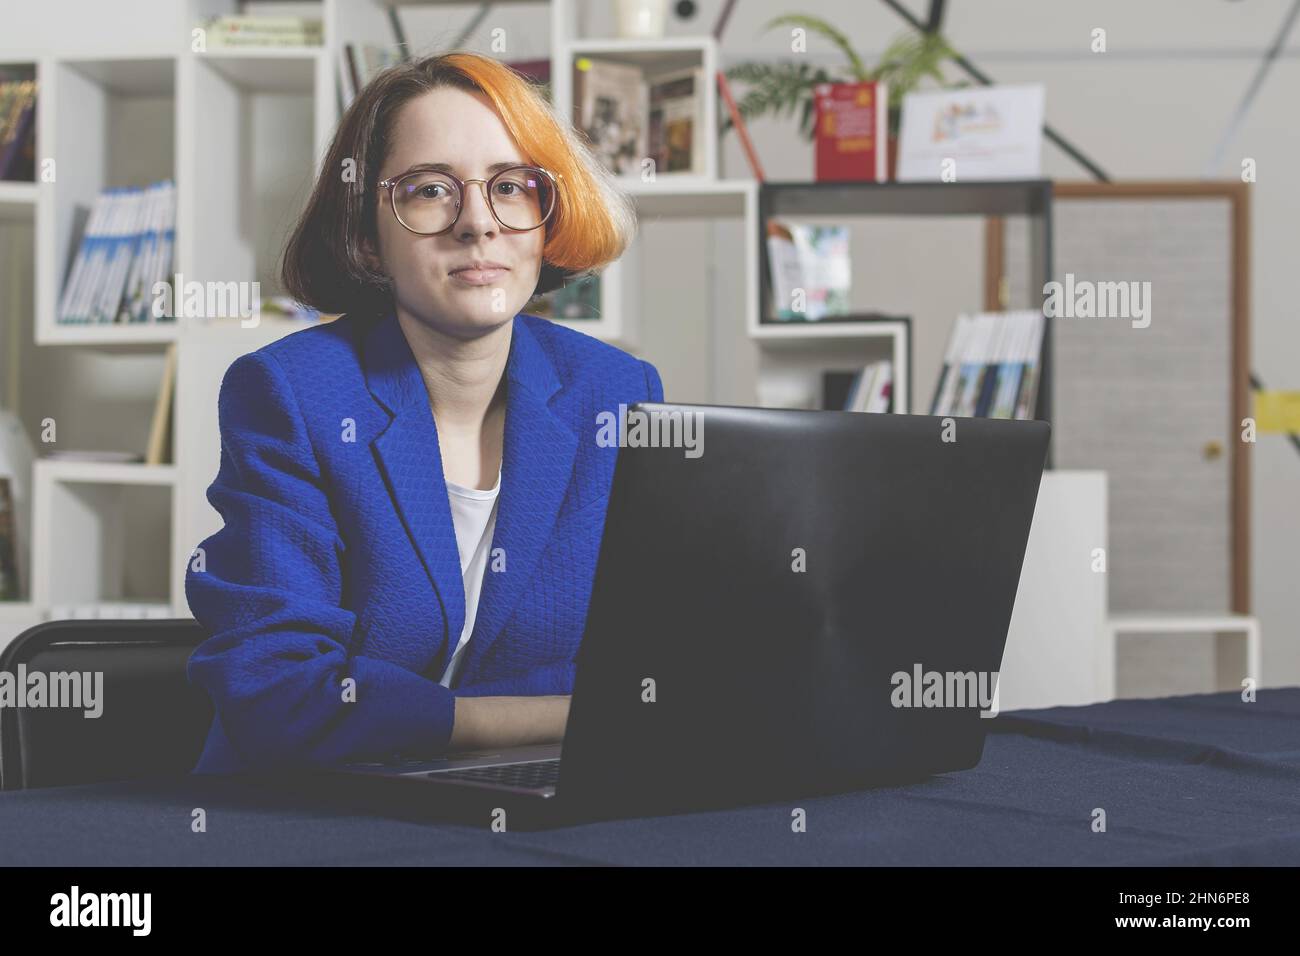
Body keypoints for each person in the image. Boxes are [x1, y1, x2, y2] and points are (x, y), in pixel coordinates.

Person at [185, 51, 663, 773]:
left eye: (512, 186)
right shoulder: (291, 394)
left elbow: (651, 668)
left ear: (545, 213)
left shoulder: (618, 393)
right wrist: (543, 718)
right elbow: (278, 693)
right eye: (430, 190)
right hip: (306, 817)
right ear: (368, 228)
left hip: (537, 805)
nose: (478, 224)